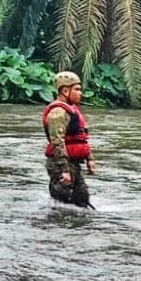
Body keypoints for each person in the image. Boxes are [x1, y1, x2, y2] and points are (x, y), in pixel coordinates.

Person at [42, 71, 96, 208]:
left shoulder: (72, 109)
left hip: (74, 163)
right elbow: (57, 142)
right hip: (60, 164)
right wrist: (64, 170)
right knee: (63, 198)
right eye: (77, 90)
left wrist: (89, 159)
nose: (80, 93)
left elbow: (81, 137)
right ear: (65, 91)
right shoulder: (58, 113)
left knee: (82, 197)